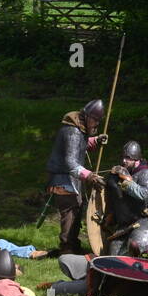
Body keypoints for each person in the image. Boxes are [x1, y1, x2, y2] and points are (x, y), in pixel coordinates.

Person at [45, 98, 106, 255]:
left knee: (76, 209)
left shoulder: (78, 129)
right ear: (87, 117)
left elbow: (81, 145)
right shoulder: (72, 131)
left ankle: (72, 244)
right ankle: (67, 248)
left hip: (68, 178)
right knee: (70, 211)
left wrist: (95, 140)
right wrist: (89, 175)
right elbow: (70, 162)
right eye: (95, 120)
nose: (96, 125)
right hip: (62, 178)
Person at [104, 141, 148, 257]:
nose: (124, 161)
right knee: (114, 256)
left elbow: (144, 196)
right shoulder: (120, 175)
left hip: (143, 221)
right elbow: (116, 198)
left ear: (136, 159)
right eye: (123, 157)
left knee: (134, 246)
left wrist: (127, 182)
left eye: (128, 158)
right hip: (124, 225)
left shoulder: (146, 174)